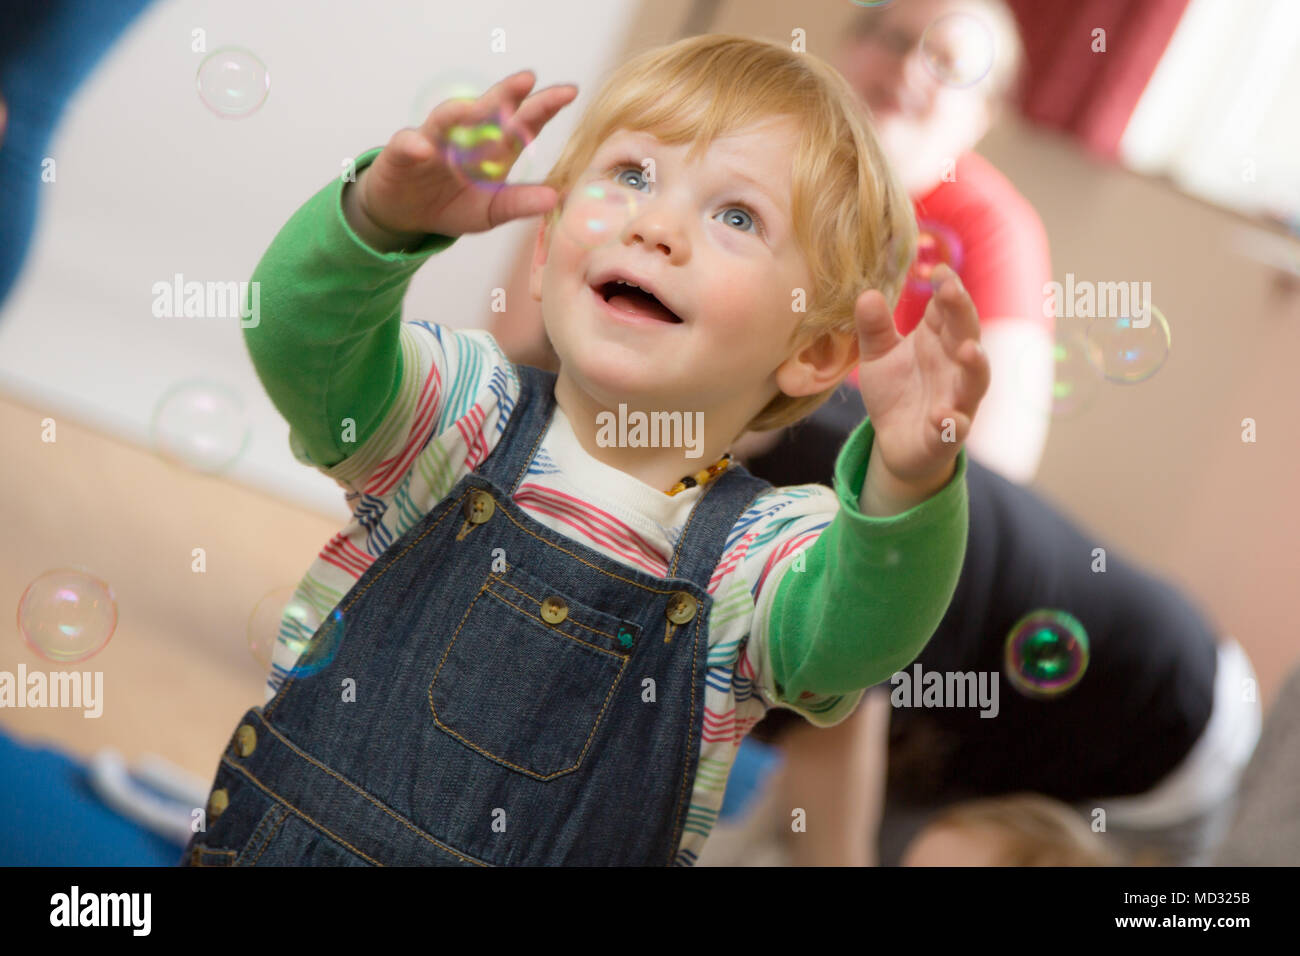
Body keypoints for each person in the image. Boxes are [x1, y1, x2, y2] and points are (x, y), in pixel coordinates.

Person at [182, 35, 991, 866]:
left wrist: (908, 483)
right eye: (633, 175)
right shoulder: (460, 414)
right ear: (544, 250)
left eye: (737, 216)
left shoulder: (763, 558)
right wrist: (375, 223)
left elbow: (857, 638)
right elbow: (301, 346)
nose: (657, 225)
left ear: (814, 352)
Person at [720, 0, 1258, 868]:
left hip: (1153, 736)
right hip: (953, 700)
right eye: (888, 38)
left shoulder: (820, 467)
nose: (905, 68)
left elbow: (964, 497)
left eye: (946, 61)